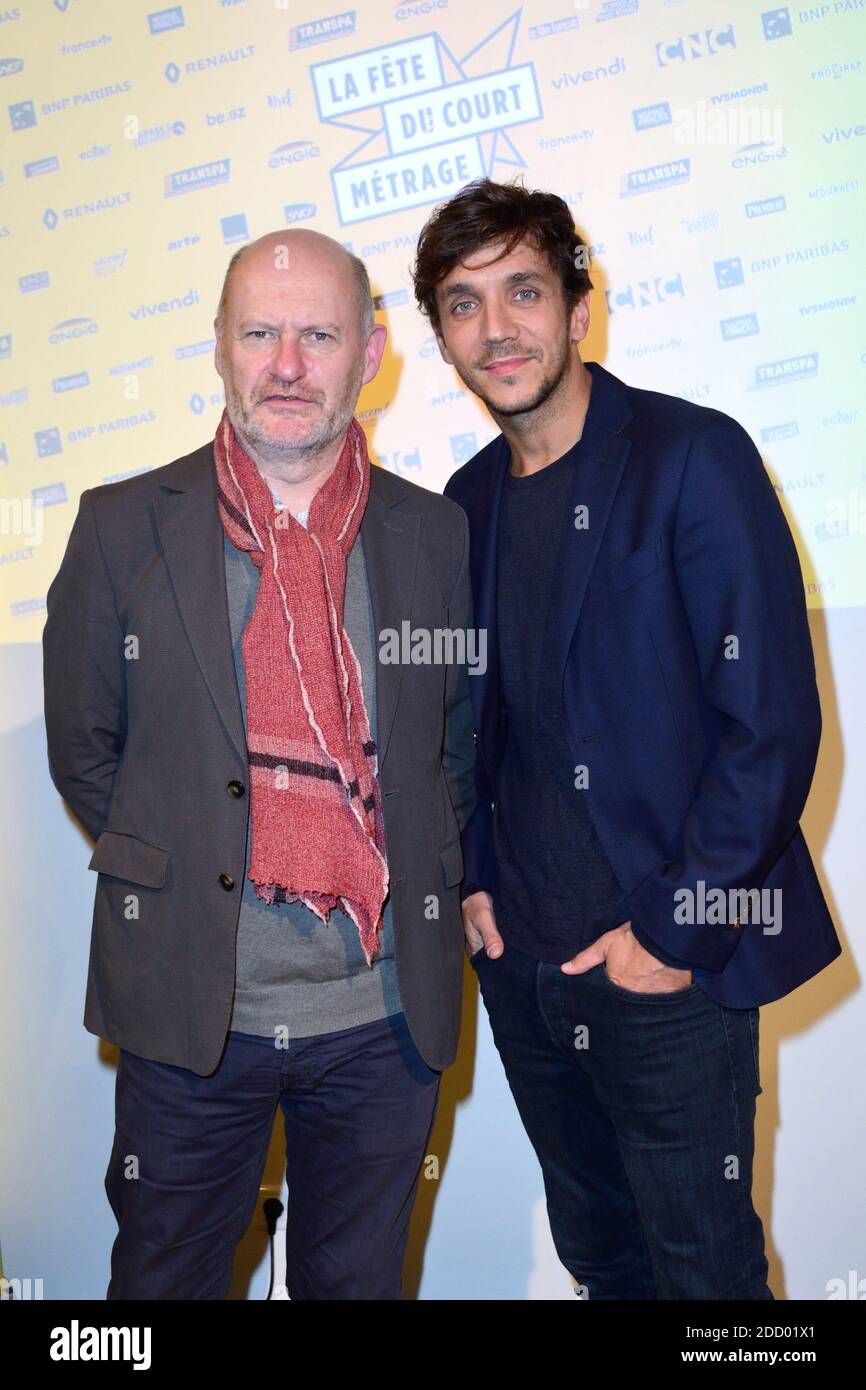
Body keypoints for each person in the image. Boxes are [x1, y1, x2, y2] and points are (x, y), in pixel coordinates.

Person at [411, 177, 841, 1300]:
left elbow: (770, 728)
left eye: (521, 291)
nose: (495, 329)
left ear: (575, 307)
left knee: (708, 1278)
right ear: (441, 336)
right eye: (463, 304)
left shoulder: (691, 457)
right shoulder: (464, 505)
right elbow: (468, 731)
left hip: (667, 972)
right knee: (602, 1264)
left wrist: (667, 932)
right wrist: (470, 880)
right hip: (527, 975)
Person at [42, 228, 476, 1300]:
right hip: (193, 1013)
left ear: (368, 353)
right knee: (158, 1290)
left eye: (318, 334)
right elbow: (86, 749)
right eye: (260, 334)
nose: (287, 364)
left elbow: (451, 750)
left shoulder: (435, 536)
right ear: (221, 349)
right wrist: (193, 865)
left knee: (356, 1287)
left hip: (380, 1022)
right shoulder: (120, 526)